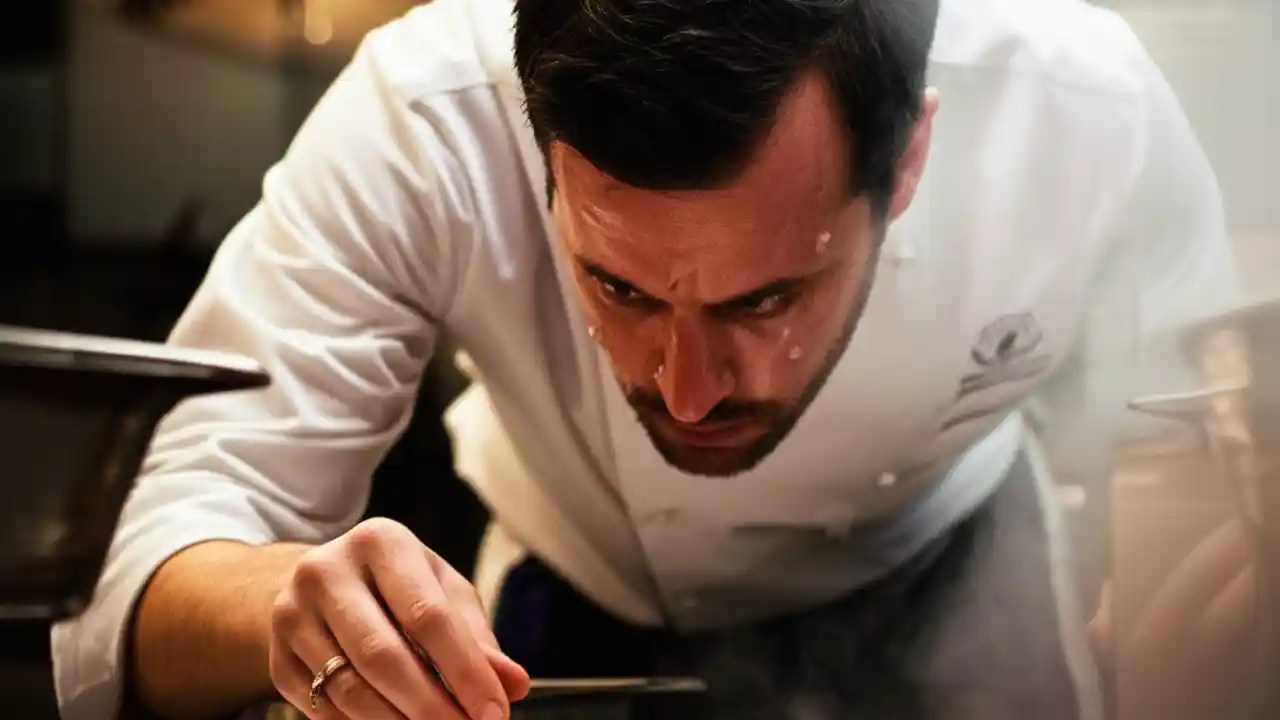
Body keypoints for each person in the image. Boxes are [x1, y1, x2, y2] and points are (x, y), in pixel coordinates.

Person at [52, 0, 1239, 718]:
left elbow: (1196, 459)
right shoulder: (423, 116)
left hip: (958, 580)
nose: (686, 388)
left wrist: (1200, 599)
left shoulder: (1087, 112)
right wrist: (289, 612)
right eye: (616, 287)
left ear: (910, 158)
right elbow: (149, 567)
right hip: (575, 601)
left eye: (767, 294)